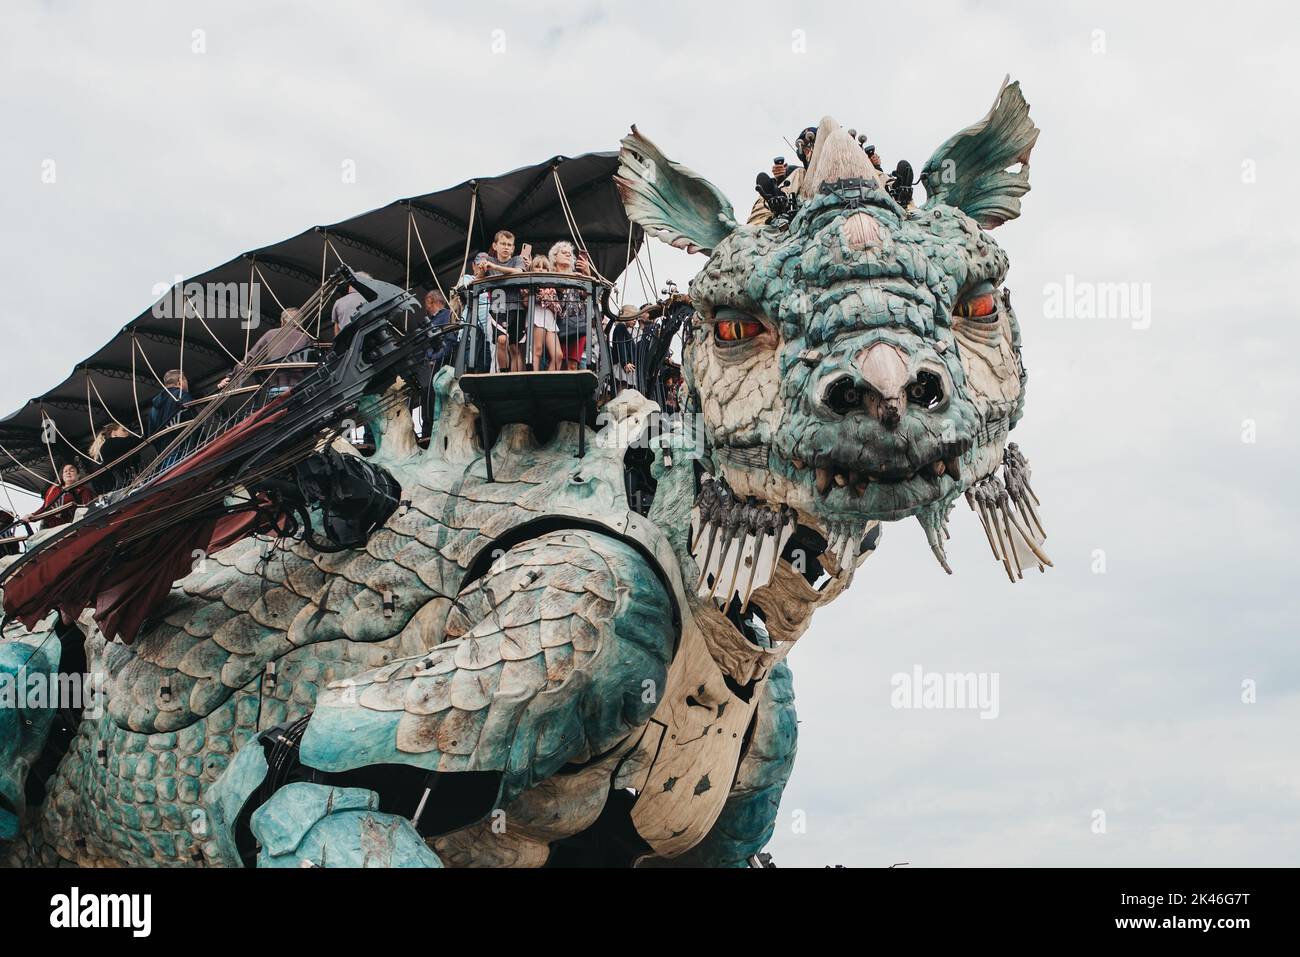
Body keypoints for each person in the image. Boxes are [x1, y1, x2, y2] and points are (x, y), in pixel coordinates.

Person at [219, 307, 314, 396]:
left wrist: (230, 377)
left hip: (277, 389)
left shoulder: (271, 334)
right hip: (299, 388)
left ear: (282, 321)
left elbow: (249, 359)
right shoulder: (305, 338)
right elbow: (312, 364)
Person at [473, 230, 531, 372]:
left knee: (515, 347)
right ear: (495, 245)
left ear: (512, 248)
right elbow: (478, 280)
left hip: (516, 307)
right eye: (503, 243)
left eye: (509, 245)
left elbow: (519, 271)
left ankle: (515, 378)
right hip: (498, 306)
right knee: (501, 340)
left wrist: (495, 267)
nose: (506, 247)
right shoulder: (489, 260)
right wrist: (482, 269)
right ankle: (504, 374)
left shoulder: (516, 259)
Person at [748, 126, 816, 226]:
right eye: (805, 148)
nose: (809, 151)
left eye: (812, 144)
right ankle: (779, 199)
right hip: (794, 206)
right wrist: (779, 178)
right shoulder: (798, 172)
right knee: (799, 172)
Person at [538, 241, 591, 370]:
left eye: (570, 253)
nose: (568, 255)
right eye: (564, 252)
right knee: (557, 361)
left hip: (577, 323)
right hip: (556, 325)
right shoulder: (549, 274)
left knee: (572, 364)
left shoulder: (578, 277)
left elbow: (586, 294)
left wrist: (587, 273)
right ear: (554, 257)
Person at [28, 462, 94, 530]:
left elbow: (87, 509)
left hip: (71, 527)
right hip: (50, 528)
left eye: (72, 470)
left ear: (78, 475)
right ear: (62, 476)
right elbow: (45, 507)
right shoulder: (53, 489)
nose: (68, 472)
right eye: (65, 471)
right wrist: (32, 515)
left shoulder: (84, 491)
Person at [526, 254, 563, 372]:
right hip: (537, 313)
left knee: (558, 355)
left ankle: (548, 382)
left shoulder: (551, 285)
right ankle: (534, 382)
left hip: (549, 316)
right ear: (532, 269)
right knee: (537, 351)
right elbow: (525, 301)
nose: (541, 269)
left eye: (544, 267)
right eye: (537, 266)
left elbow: (557, 306)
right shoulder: (529, 283)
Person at [88, 423, 140, 491]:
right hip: (119, 486)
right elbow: (137, 440)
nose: (127, 433)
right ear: (114, 433)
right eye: (124, 430)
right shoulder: (110, 443)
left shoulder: (106, 448)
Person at [145, 370, 195, 438]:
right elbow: (192, 408)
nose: (187, 383)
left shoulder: (153, 409)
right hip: (186, 443)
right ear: (180, 381)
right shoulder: (180, 394)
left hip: (165, 447)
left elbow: (151, 434)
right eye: (185, 380)